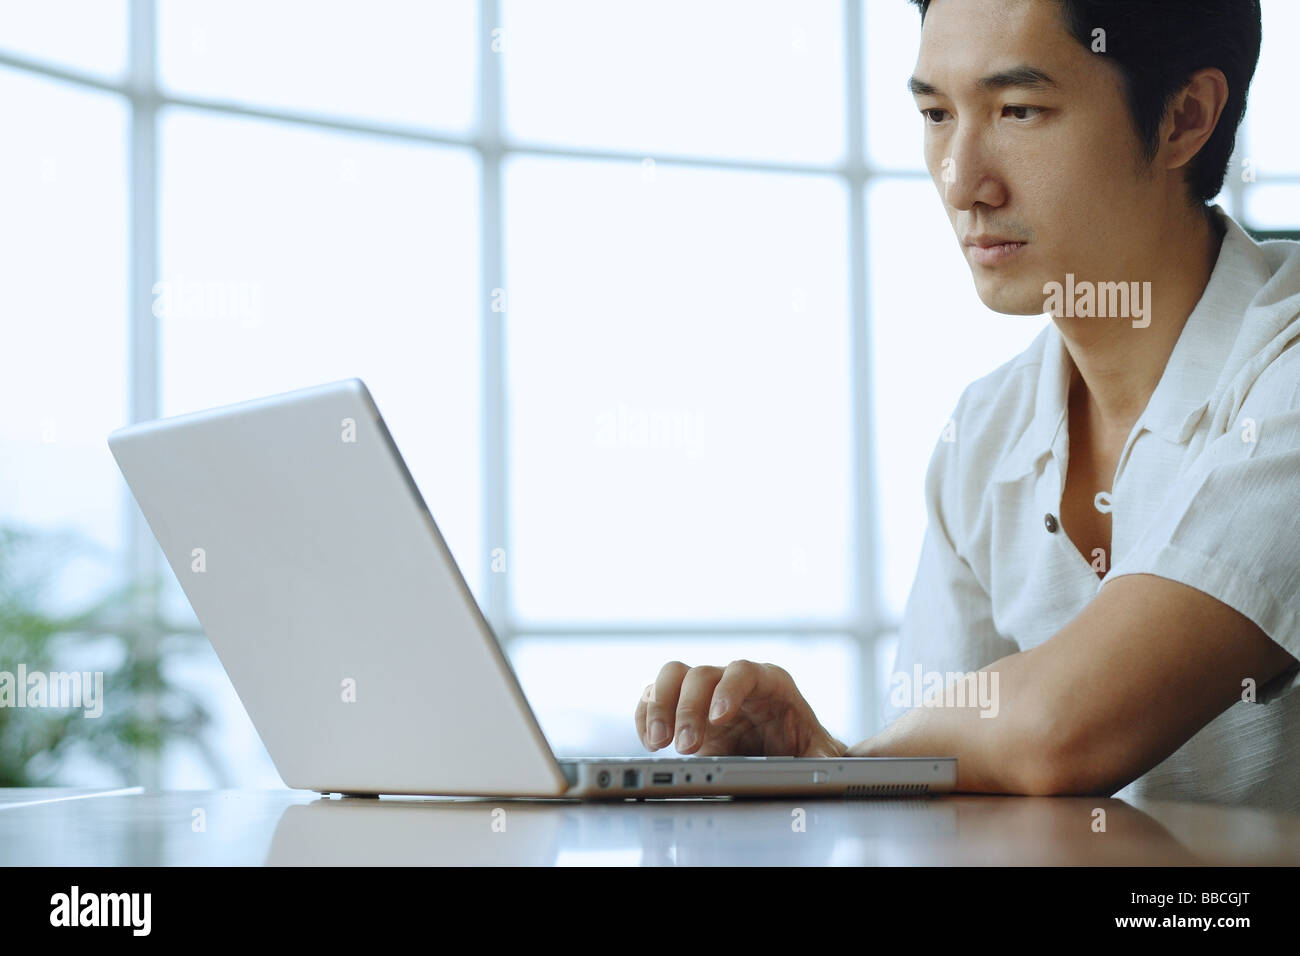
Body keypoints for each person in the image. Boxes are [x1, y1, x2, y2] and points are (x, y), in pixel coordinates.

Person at [634, 0, 1300, 810]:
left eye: (1020, 111)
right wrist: (824, 765)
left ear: (1184, 119)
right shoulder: (984, 434)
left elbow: (1062, 729)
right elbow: (950, 786)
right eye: (936, 114)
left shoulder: (1285, 370)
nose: (961, 182)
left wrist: (843, 766)